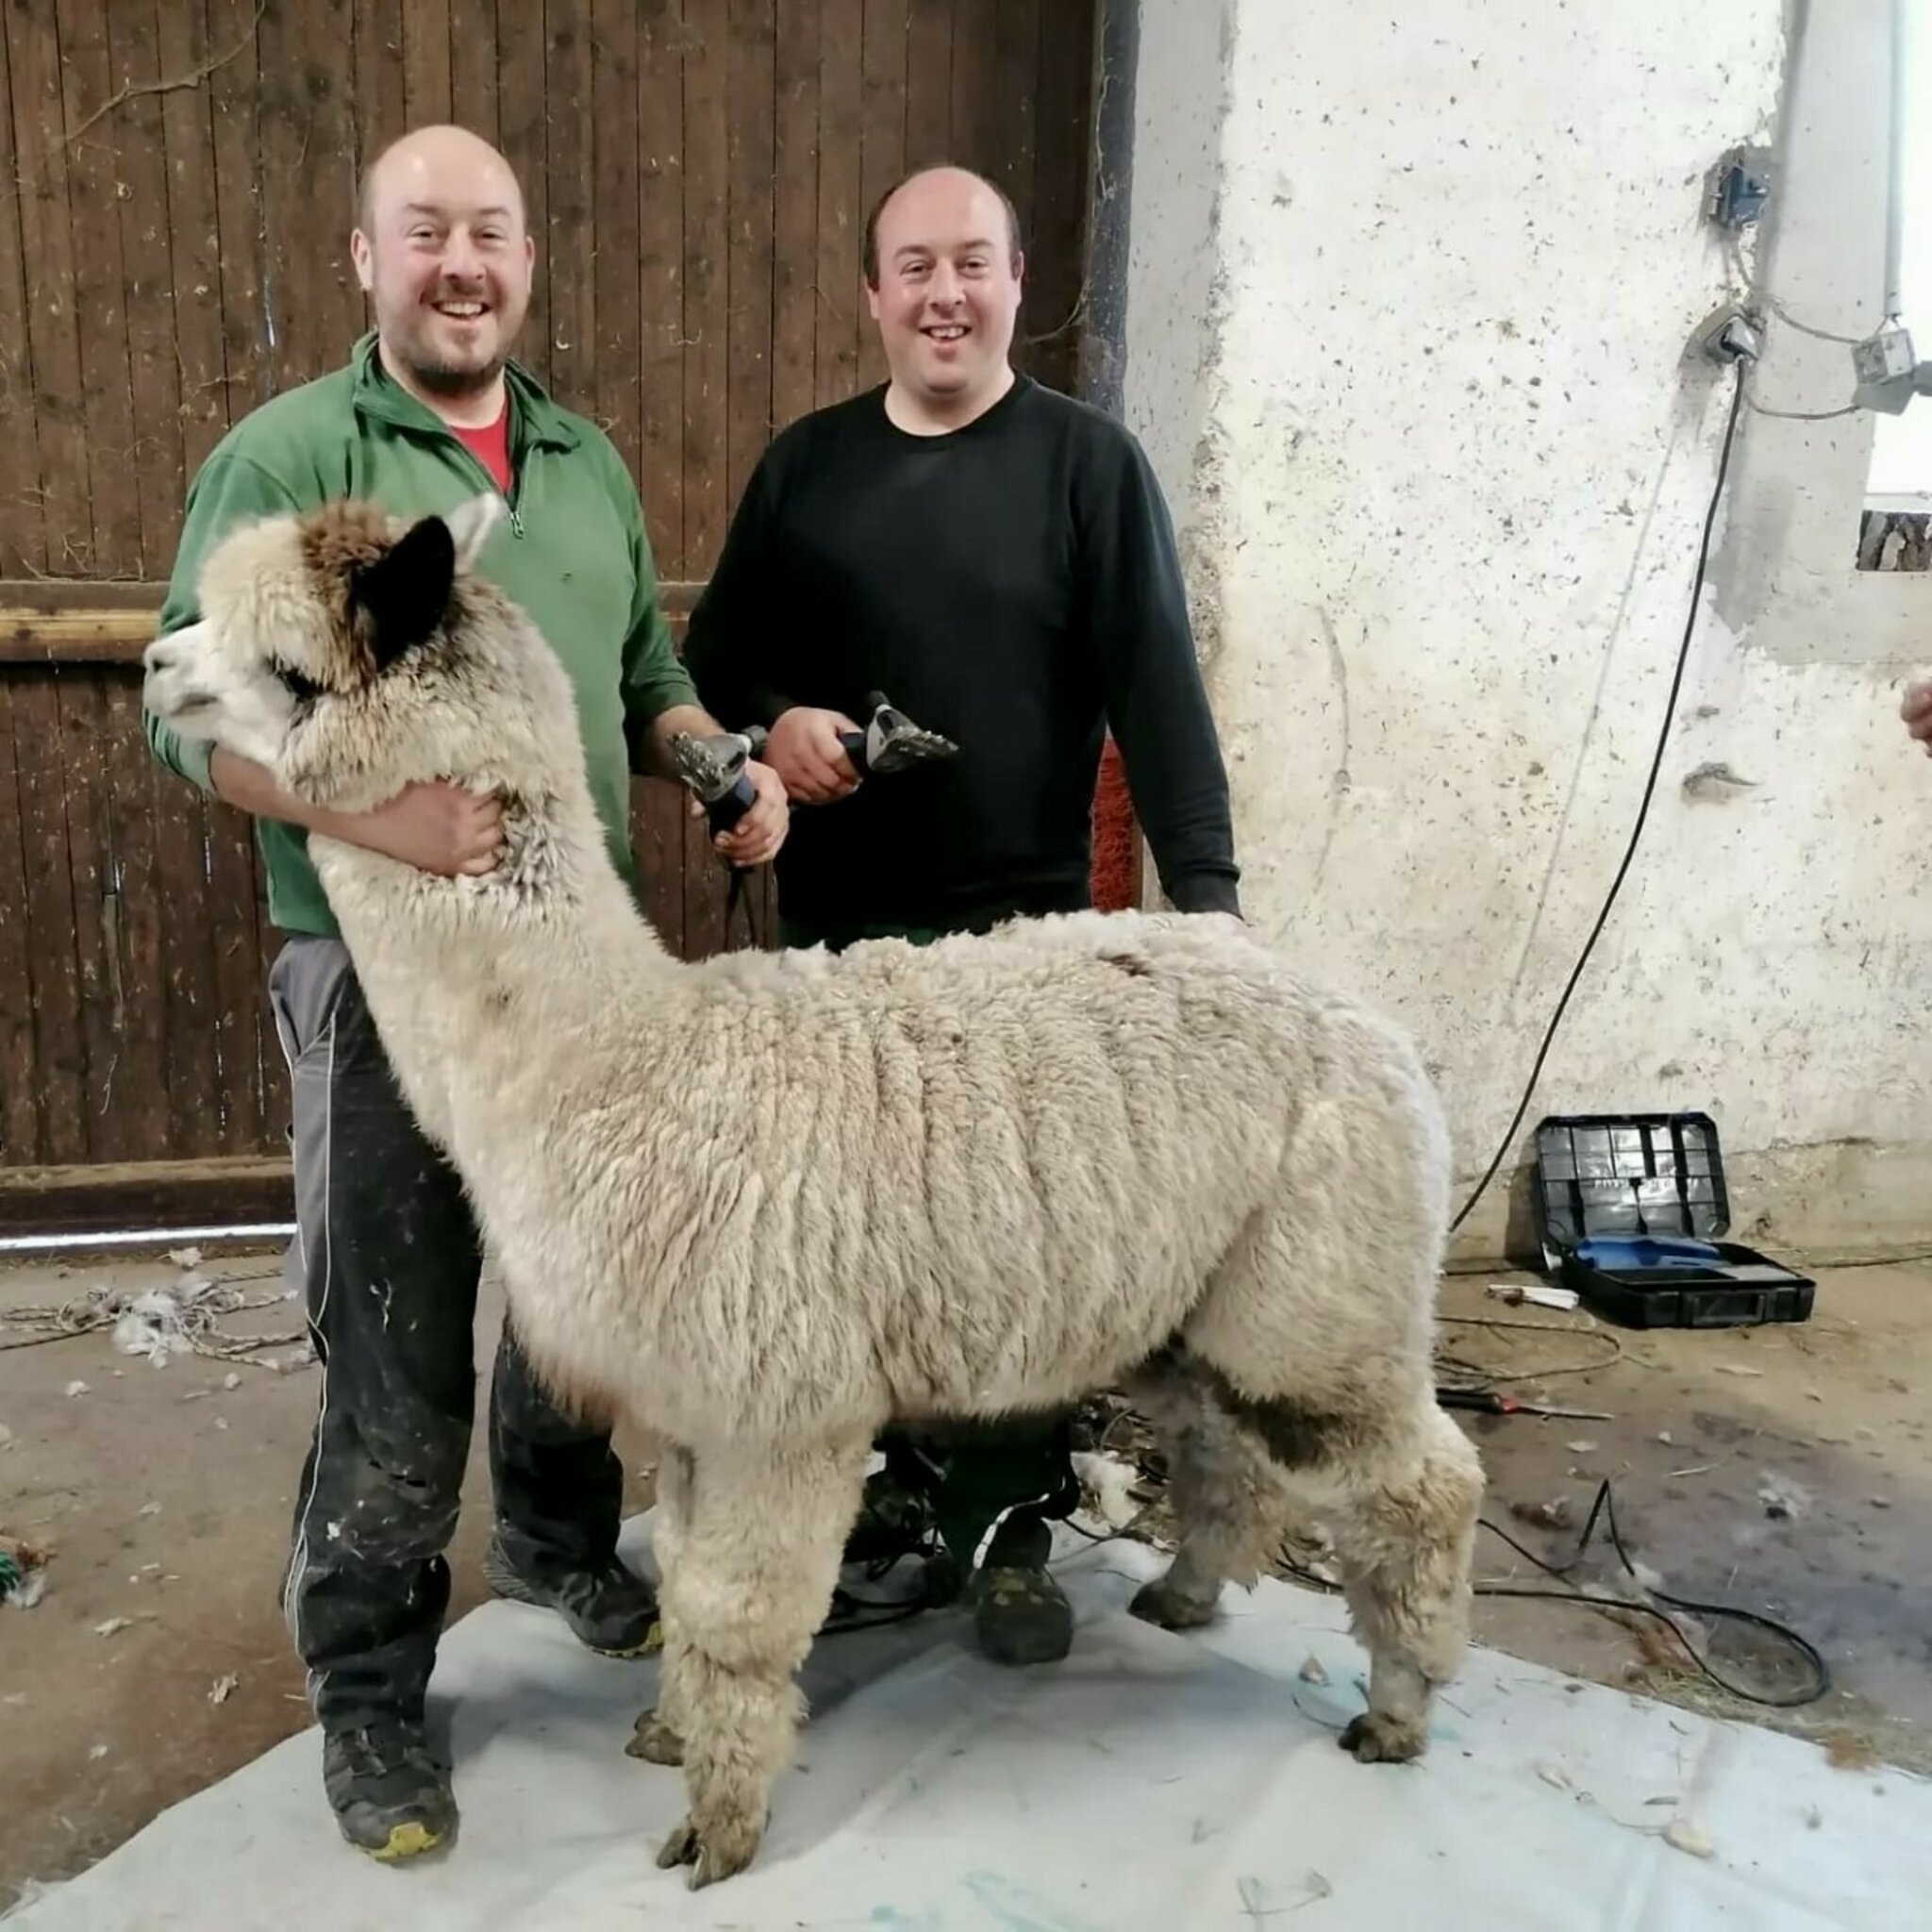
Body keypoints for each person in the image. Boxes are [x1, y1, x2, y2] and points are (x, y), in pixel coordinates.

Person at [142, 124, 788, 1863]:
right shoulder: (290, 461)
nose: (460, 264)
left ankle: (566, 1551)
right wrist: (380, 817)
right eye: (423, 232)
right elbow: (176, 707)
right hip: (380, 979)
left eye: (488, 232)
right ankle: (369, 1693)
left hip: (572, 960)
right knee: (401, 1346)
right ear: (368, 259)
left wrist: (717, 757)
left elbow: (645, 669)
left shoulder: (580, 456)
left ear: (524, 256)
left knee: (582, 1307)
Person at [682, 162, 1241, 1669]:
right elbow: (710, 668)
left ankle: (1003, 1518)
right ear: (872, 294)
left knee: (1013, 1256)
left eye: (972, 263)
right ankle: (875, 1503)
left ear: (1015, 282)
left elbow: (1162, 701)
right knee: (849, 1251)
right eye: (913, 267)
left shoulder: (1088, 467)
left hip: (1018, 955)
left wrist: (1214, 910)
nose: (943, 293)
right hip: (841, 958)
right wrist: (776, 725)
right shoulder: (805, 470)